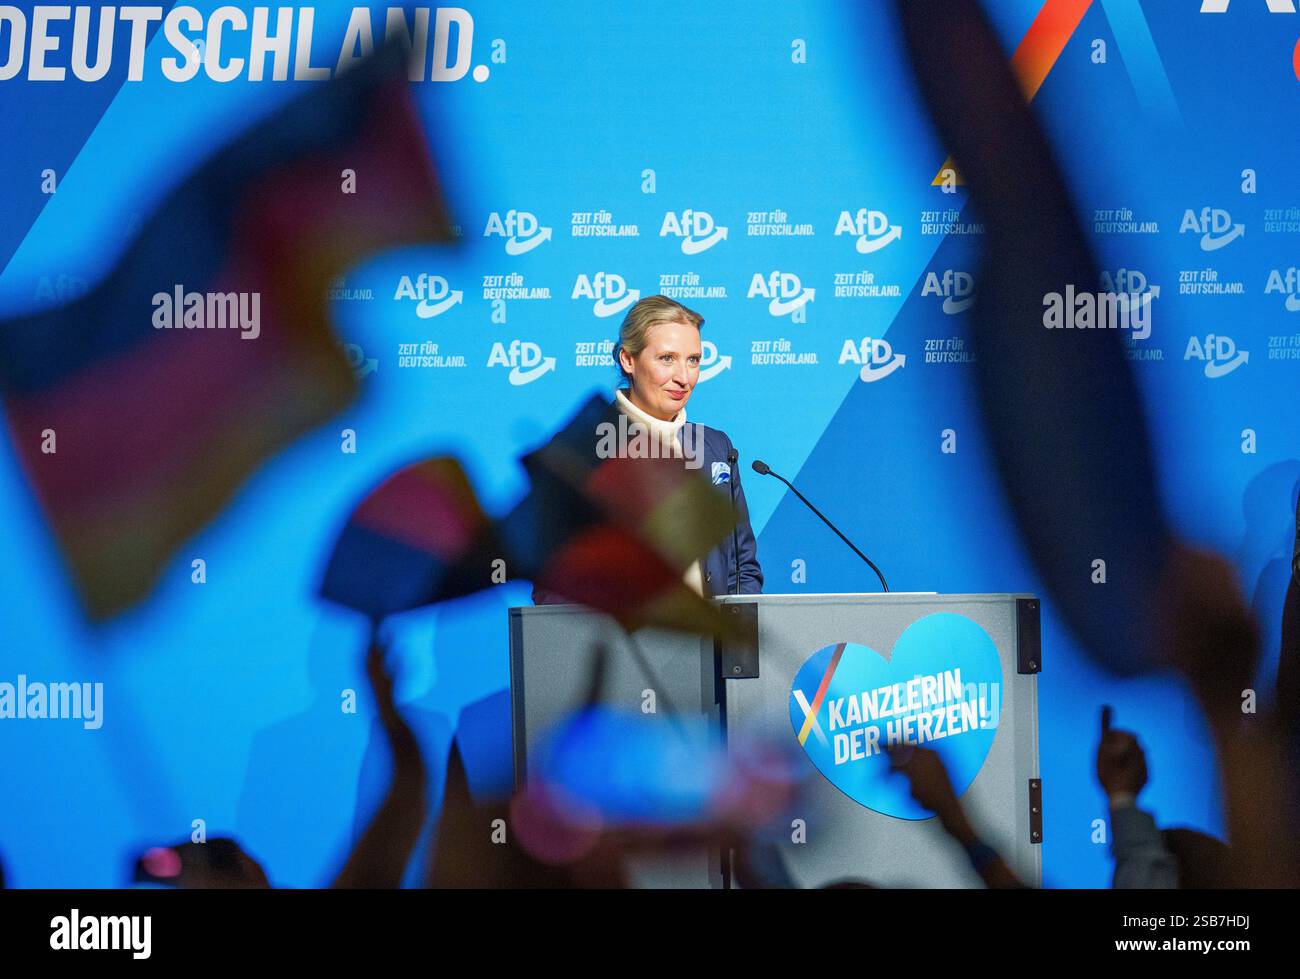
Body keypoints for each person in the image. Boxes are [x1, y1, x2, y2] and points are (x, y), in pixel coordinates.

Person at [533, 295, 762, 603]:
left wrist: (732, 643)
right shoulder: (577, 450)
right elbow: (553, 586)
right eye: (667, 358)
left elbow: (743, 568)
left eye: (693, 360)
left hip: (712, 647)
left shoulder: (716, 447)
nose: (683, 377)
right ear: (628, 359)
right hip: (624, 646)